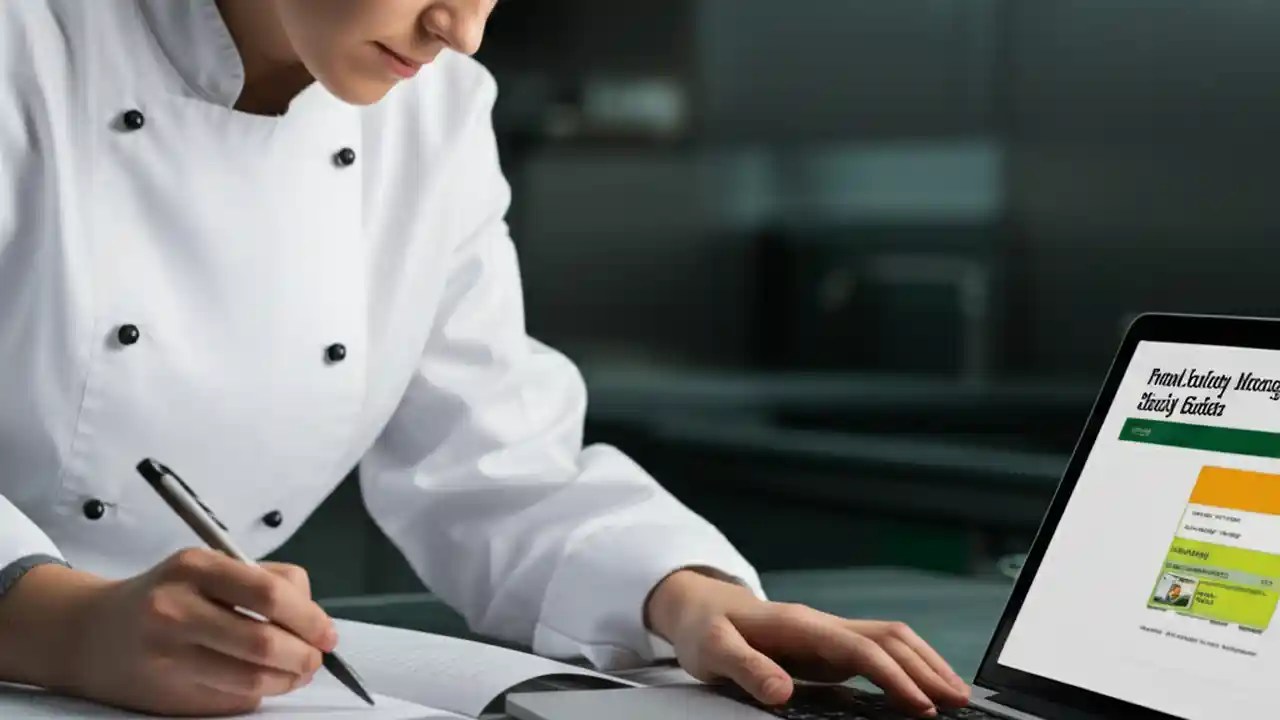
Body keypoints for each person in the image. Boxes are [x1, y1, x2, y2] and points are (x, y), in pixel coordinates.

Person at [0, 2, 970, 718]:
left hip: (217, 684)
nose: (456, 28)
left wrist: (681, 595)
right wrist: (64, 625)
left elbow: (490, 458)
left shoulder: (434, 113)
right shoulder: (24, 49)